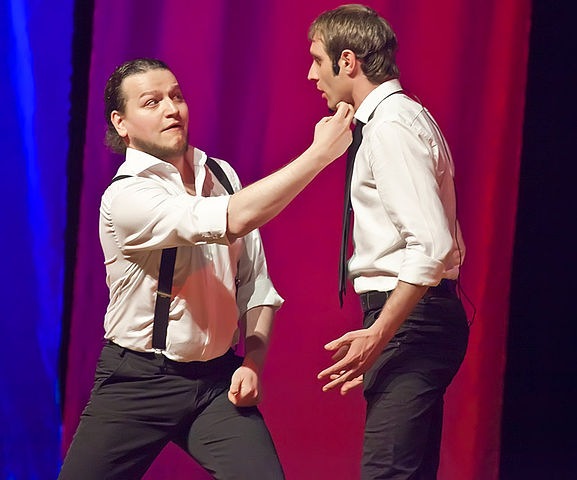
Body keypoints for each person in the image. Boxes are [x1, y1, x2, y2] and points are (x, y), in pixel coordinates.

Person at [58, 58, 353, 480]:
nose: (171, 109)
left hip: (215, 381)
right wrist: (318, 155)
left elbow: (255, 284)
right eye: (152, 102)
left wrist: (252, 363)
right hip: (140, 379)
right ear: (121, 123)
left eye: (176, 96)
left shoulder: (220, 174)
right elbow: (232, 218)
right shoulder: (126, 196)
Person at [307, 5, 469, 479]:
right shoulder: (393, 118)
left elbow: (432, 245)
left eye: (317, 60)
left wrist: (380, 334)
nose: (311, 74)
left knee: (387, 472)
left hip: (413, 322)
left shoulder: (391, 125)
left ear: (348, 61)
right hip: (414, 318)